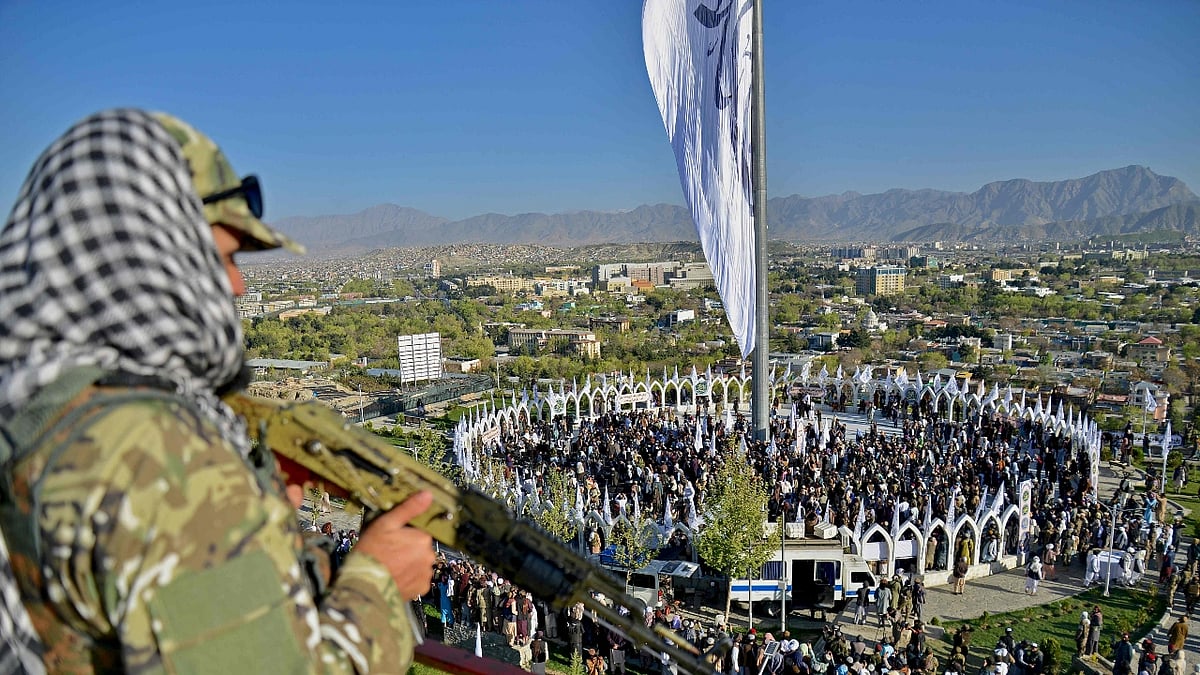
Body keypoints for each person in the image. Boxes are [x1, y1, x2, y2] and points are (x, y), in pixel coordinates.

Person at [0, 109, 437, 671]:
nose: (238, 284)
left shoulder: (39, 404)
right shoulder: (158, 453)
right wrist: (378, 585)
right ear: (139, 254)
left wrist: (253, 522)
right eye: (224, 257)